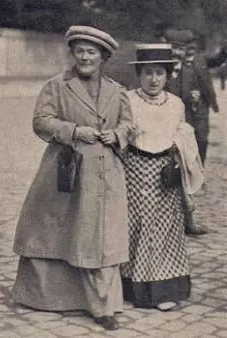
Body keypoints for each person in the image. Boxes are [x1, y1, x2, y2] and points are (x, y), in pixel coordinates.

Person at [12, 25, 133, 331]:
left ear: (103, 57)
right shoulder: (56, 86)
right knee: (60, 230)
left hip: (106, 176)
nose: (85, 57)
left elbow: (130, 126)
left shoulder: (117, 91)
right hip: (66, 172)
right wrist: (74, 131)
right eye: (79, 51)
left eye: (91, 52)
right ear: (73, 54)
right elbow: (41, 122)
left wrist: (116, 134)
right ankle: (50, 298)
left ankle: (103, 306)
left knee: (100, 236)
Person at [121, 44, 204, 311]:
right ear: (140, 74)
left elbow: (183, 137)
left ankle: (164, 288)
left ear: (167, 76)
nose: (153, 79)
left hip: (165, 174)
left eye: (159, 73)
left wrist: (179, 157)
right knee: (139, 227)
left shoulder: (176, 104)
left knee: (166, 229)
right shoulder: (128, 100)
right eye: (148, 73)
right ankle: (134, 288)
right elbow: (120, 134)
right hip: (134, 170)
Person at [164, 29, 227, 235]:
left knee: (198, 146)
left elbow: (216, 62)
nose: (179, 51)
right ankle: (182, 219)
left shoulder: (196, 62)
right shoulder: (164, 66)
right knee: (174, 166)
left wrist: (196, 97)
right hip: (170, 119)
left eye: (182, 48)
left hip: (192, 114)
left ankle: (195, 176)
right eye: (175, 47)